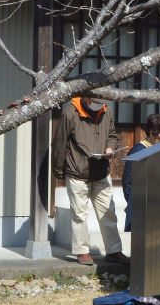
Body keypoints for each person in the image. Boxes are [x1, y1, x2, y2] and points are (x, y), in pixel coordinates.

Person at [52, 96, 127, 266]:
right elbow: (59, 143)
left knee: (108, 212)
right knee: (79, 214)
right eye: (96, 101)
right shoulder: (70, 112)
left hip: (101, 170)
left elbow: (113, 135)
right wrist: (58, 171)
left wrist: (110, 147)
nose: (99, 105)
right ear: (86, 98)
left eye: (102, 102)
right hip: (77, 170)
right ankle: (82, 251)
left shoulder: (106, 110)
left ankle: (114, 250)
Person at [122, 113, 160, 231]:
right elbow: (128, 181)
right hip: (143, 204)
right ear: (152, 134)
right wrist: (133, 203)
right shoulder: (138, 151)